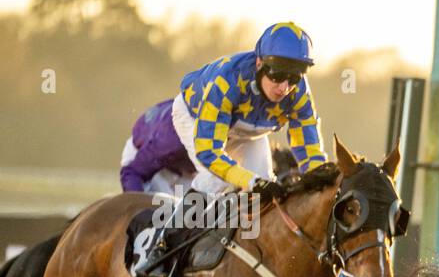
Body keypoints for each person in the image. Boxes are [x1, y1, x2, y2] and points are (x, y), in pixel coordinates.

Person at [172, 22, 327, 200]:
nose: (284, 88)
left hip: (245, 131)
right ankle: (174, 228)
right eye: (278, 75)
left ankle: (246, 227)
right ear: (259, 63)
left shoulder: (299, 94)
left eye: (294, 77)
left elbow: (310, 153)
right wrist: (250, 181)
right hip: (194, 115)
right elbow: (209, 152)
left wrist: (320, 178)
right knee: (218, 180)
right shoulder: (227, 81)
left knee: (265, 182)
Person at [119, 99, 196, 195]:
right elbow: (133, 172)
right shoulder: (168, 141)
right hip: (148, 166)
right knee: (166, 208)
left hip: (182, 168)